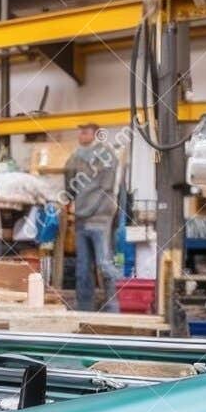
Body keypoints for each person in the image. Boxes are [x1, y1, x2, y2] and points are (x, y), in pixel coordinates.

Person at [64, 123, 121, 312]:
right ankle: (85, 306)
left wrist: (80, 203)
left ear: (96, 134)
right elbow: (69, 184)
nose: (81, 135)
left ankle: (111, 304)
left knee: (103, 263)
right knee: (84, 266)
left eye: (85, 132)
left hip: (99, 217)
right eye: (80, 131)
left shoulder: (104, 156)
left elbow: (105, 186)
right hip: (86, 217)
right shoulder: (77, 156)